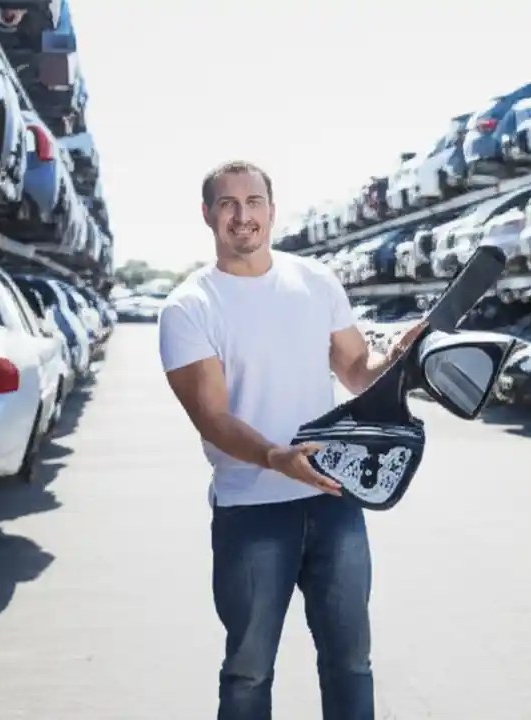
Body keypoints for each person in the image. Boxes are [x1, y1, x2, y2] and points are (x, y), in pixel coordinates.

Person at [157, 160, 425, 720]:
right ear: (207, 215)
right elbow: (212, 417)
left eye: (253, 202)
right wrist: (277, 458)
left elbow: (356, 371)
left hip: (333, 499)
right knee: (250, 670)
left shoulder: (315, 281)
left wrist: (396, 356)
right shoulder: (190, 306)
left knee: (350, 661)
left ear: (272, 212)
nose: (242, 215)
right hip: (252, 511)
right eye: (228, 204)